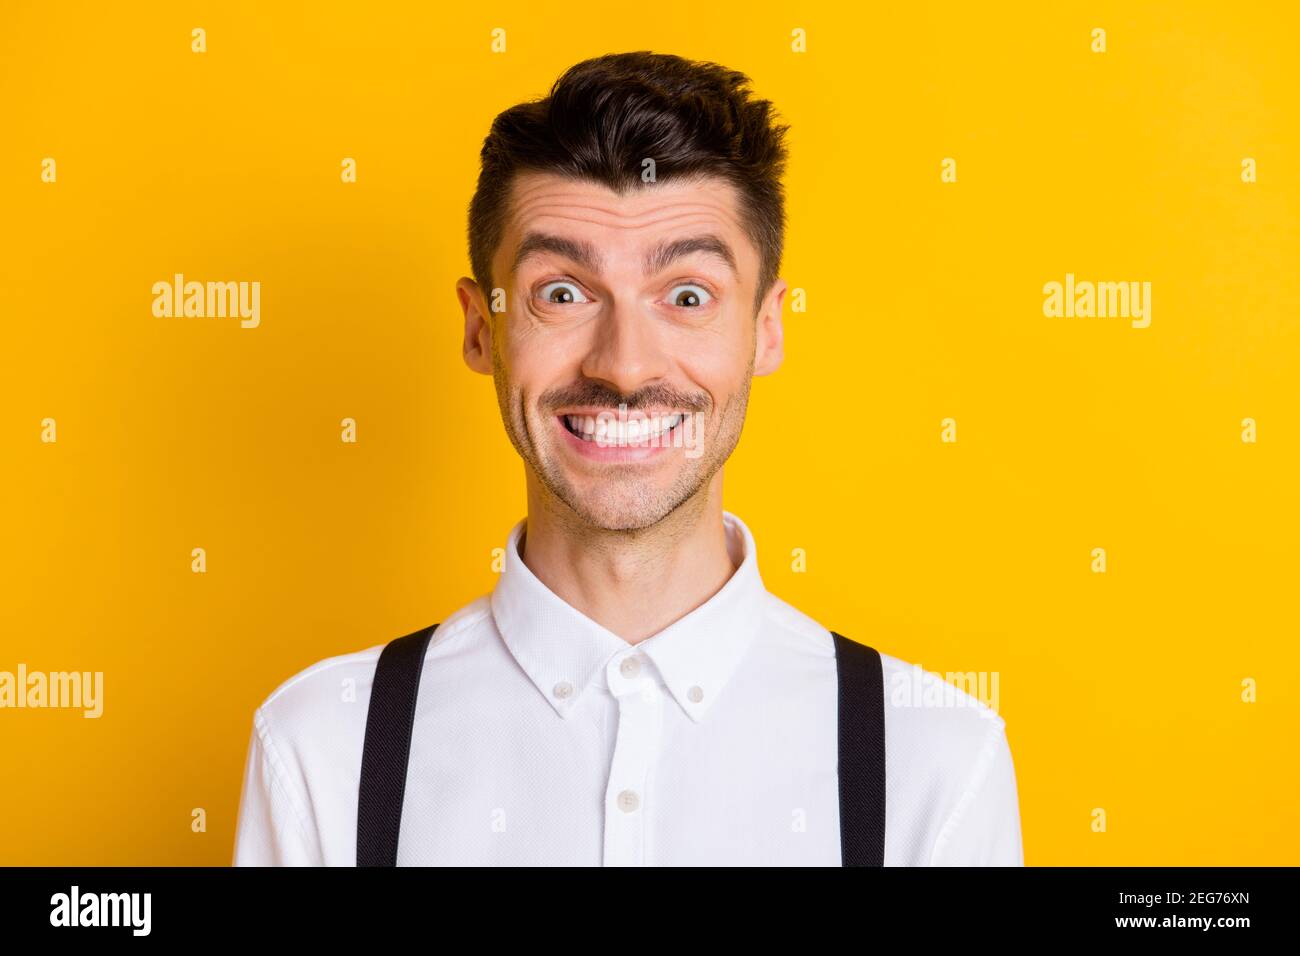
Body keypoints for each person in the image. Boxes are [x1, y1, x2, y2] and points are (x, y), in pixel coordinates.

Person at [232, 50, 1024, 866]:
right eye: (562, 293)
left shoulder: (933, 760)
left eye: (687, 296)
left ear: (767, 328)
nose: (625, 366)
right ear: (481, 328)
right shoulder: (324, 749)